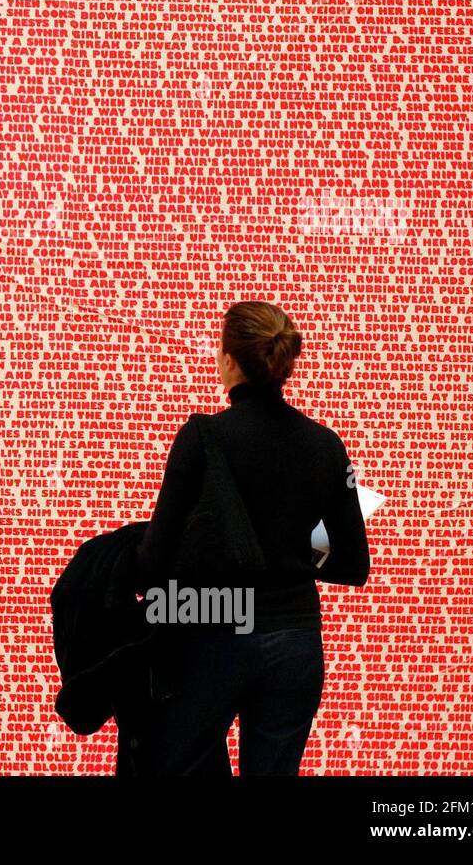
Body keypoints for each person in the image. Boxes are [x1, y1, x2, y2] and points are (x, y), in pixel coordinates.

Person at [129, 301, 370, 775]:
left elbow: (153, 562)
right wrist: (293, 550)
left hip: (213, 634)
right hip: (295, 643)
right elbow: (353, 564)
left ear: (231, 360)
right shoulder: (325, 444)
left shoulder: (202, 438)